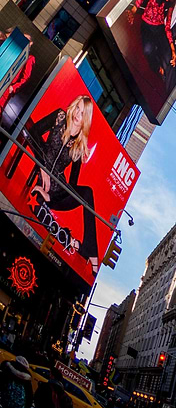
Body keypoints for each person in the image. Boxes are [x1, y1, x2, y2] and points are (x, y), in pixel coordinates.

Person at [24, 95, 100, 277]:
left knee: (87, 193)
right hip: (42, 184)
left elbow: (72, 185)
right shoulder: (59, 117)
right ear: (73, 107)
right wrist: (43, 165)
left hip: (57, 193)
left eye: (82, 114)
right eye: (77, 109)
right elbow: (33, 132)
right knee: (38, 200)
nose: (77, 115)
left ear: (85, 121)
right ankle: (87, 250)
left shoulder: (79, 145)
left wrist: (53, 196)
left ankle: (91, 249)